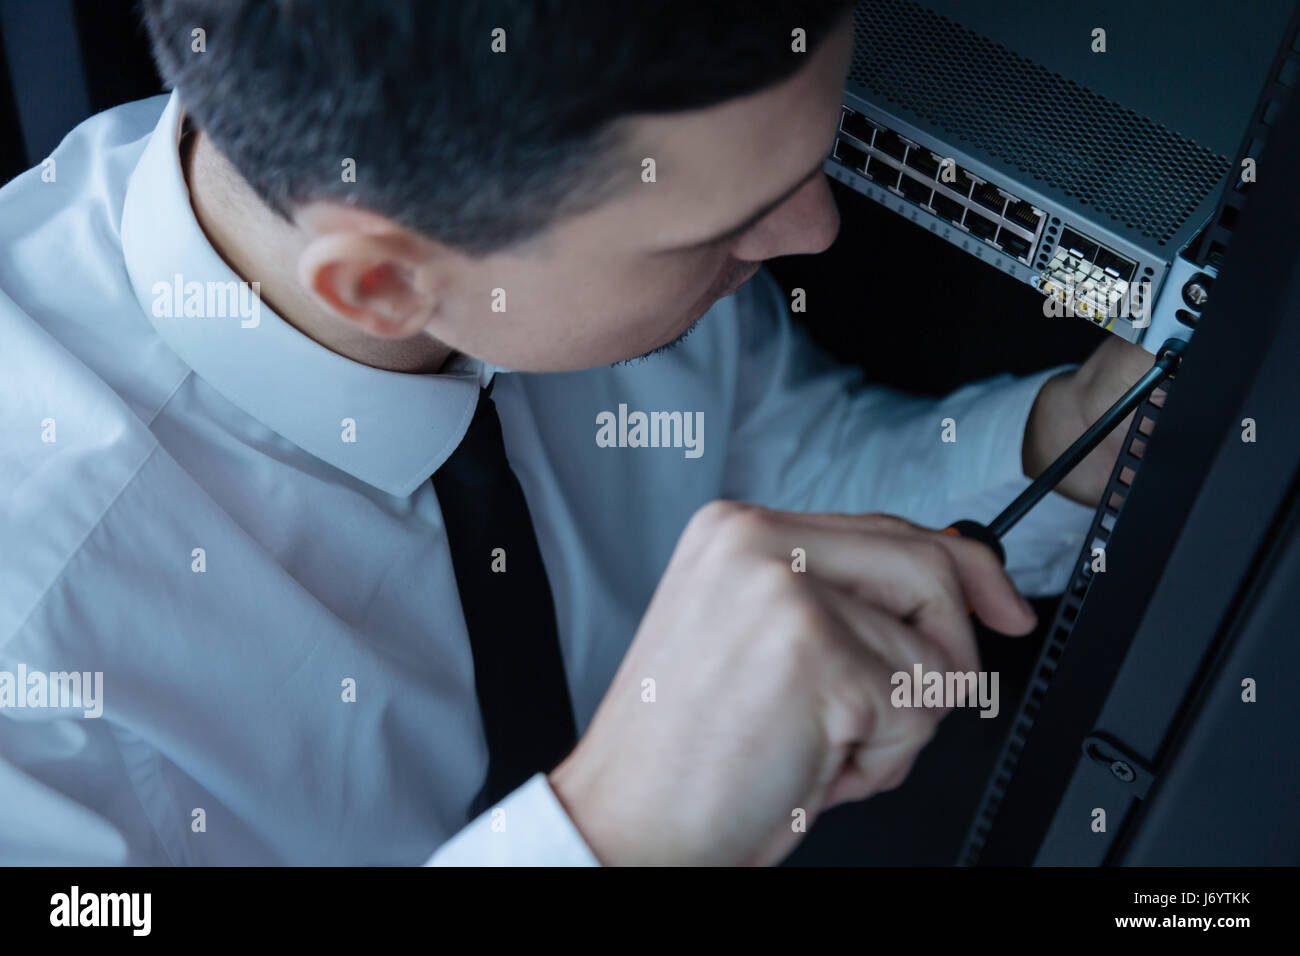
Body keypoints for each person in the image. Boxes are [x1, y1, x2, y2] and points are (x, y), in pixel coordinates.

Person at [0, 1, 1148, 865]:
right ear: (379, 285)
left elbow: (770, 473)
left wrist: (1058, 442)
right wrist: (609, 834)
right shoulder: (33, 641)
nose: (814, 231)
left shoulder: (527, 213)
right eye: (724, 227)